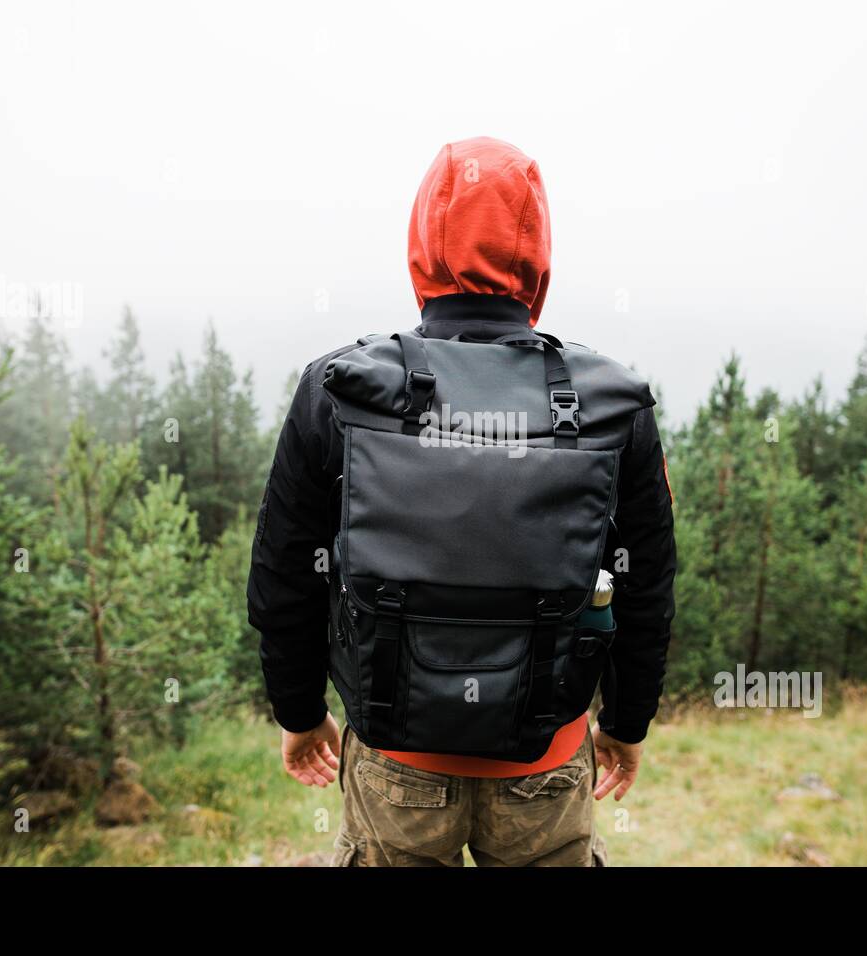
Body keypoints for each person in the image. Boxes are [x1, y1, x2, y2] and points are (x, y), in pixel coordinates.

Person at [247, 136, 676, 867]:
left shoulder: (339, 388)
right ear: (536, 253)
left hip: (396, 765)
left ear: (422, 244)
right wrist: (626, 724)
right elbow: (647, 586)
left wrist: (298, 711)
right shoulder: (611, 403)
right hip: (548, 760)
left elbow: (287, 573)